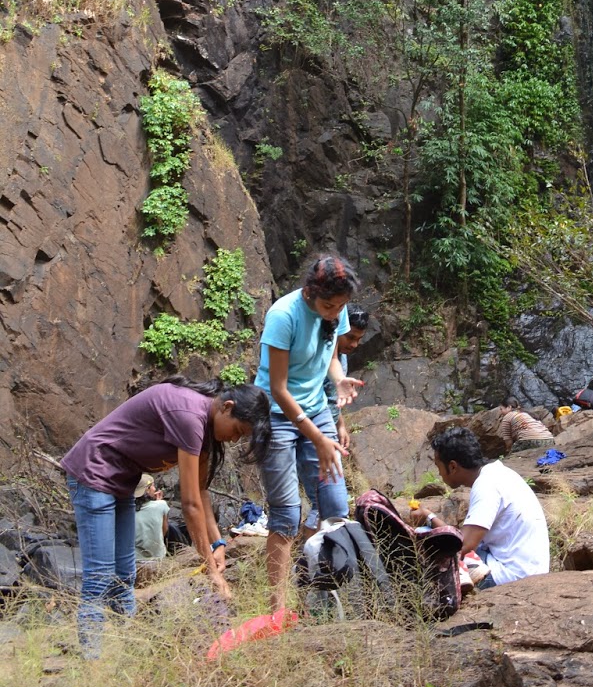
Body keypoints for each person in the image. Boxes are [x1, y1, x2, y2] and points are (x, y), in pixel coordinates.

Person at [61, 377, 270, 654]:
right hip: (93, 472)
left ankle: (126, 650)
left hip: (123, 483)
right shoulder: (189, 415)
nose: (233, 439)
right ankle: (92, 659)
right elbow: (189, 503)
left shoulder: (206, 426)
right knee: (100, 575)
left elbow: (201, 492)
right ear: (226, 407)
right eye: (237, 431)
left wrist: (218, 543)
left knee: (124, 574)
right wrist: (212, 572)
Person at [255, 254, 362, 608]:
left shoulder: (337, 308)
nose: (334, 312)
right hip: (276, 415)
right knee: (286, 512)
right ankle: (277, 605)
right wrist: (317, 437)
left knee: (334, 505)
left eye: (340, 306)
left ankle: (324, 589)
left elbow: (330, 352)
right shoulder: (282, 317)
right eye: (328, 305)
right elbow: (279, 388)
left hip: (316, 409)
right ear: (308, 292)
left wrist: (338, 378)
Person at [426, 426, 549, 588]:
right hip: (527, 568)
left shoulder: (486, 485)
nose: (440, 474)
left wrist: (428, 521)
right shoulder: (497, 473)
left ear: (453, 467)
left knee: (431, 550)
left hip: (513, 575)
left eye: (438, 467)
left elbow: (463, 545)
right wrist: (429, 518)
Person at [305, 308, 370, 531]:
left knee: (328, 500)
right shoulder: (320, 355)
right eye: (350, 337)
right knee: (320, 501)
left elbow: (333, 396)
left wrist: (340, 424)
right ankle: (309, 559)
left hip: (330, 428)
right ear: (338, 329)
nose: (354, 344)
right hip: (314, 432)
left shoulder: (340, 358)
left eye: (359, 340)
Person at [133, 475, 169, 574]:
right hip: (157, 560)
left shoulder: (125, 511)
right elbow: (164, 530)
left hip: (134, 561)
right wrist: (159, 502)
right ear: (147, 490)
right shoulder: (161, 505)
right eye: (152, 486)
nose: (155, 488)